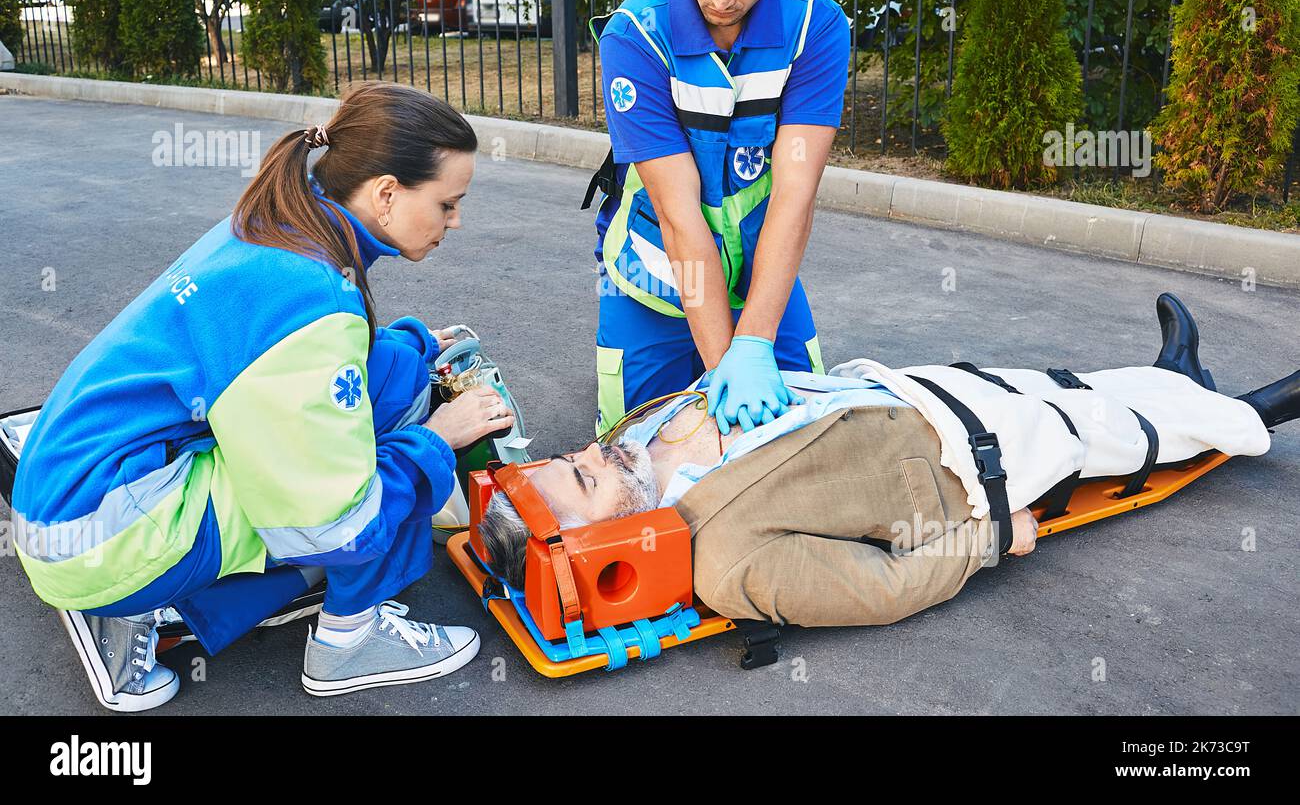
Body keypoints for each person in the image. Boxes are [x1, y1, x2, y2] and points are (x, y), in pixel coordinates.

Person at [10, 82, 517, 711]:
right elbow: (340, 527)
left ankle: (158, 614)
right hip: (101, 539)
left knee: (390, 377)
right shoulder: (313, 300)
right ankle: (348, 644)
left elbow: (296, 354)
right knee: (363, 482)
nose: (456, 222)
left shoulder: (279, 225)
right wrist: (440, 440)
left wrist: (408, 348)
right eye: (448, 203)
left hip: (64, 503)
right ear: (386, 194)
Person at [479, 294, 1297, 628]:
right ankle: (1251, 414)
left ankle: (1172, 373)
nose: (591, 450)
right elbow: (884, 587)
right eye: (585, 476)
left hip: (907, 394)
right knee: (1101, 435)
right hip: (962, 466)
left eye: (569, 455)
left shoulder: (635, 443)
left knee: (1065, 386)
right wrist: (987, 540)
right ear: (602, 541)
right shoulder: (727, 562)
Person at [587, 0, 851, 439]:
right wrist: (719, 369)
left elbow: (794, 195)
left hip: (762, 272)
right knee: (634, 451)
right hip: (654, 271)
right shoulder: (636, 36)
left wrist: (752, 344)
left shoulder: (816, 27)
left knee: (807, 437)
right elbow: (681, 219)